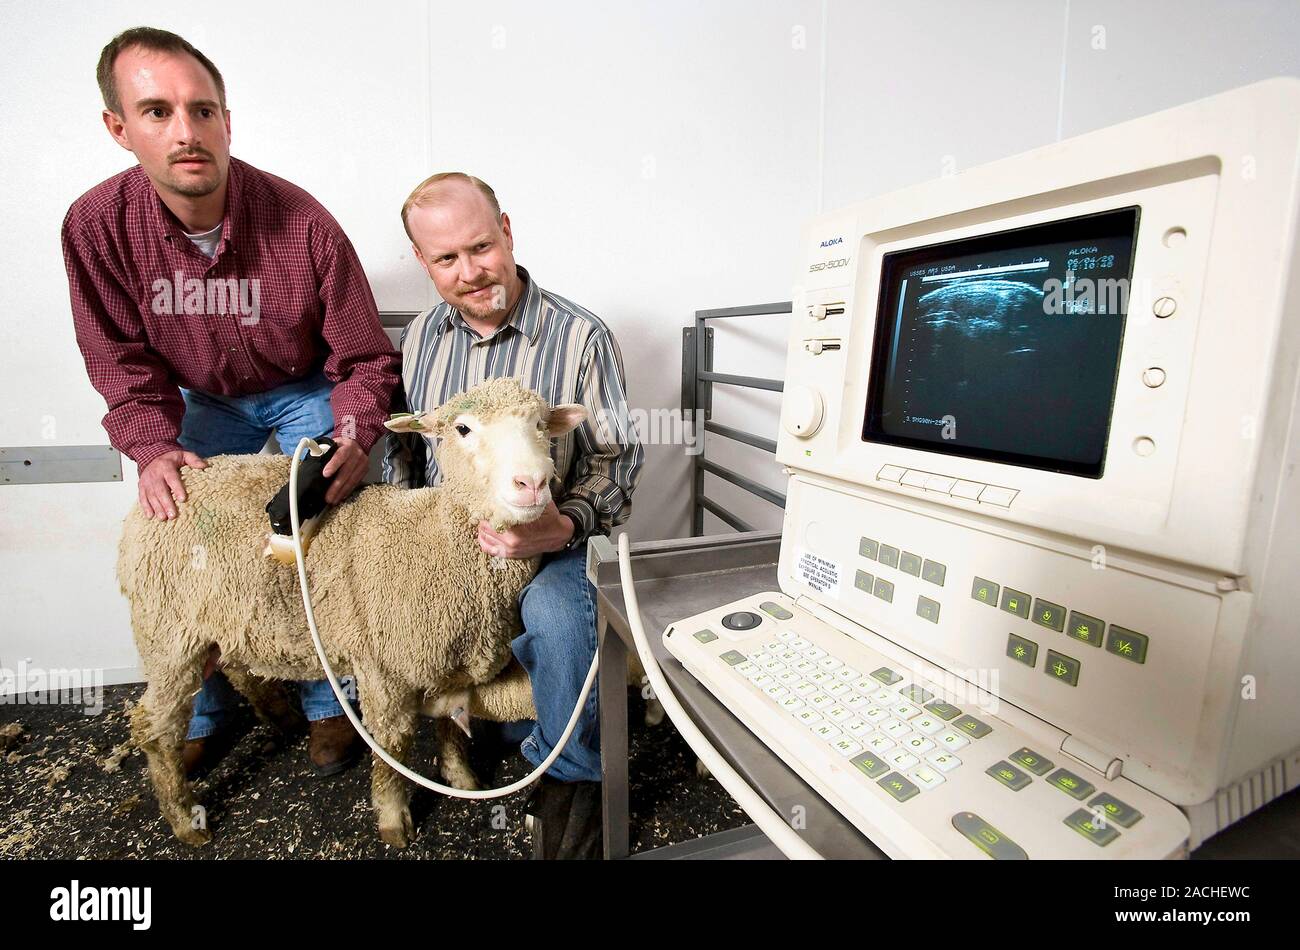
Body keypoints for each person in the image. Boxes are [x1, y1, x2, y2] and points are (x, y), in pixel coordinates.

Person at [62, 27, 399, 778]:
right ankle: (203, 709)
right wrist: (151, 446)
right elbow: (116, 355)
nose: (186, 131)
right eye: (156, 111)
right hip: (196, 396)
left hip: (304, 384)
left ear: (227, 120)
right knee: (184, 540)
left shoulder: (304, 221)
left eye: (202, 109)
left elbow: (367, 357)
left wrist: (352, 434)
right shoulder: (94, 228)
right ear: (119, 128)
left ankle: (330, 704)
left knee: (321, 526)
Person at [384, 172, 643, 858]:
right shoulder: (420, 342)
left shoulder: (582, 336)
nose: (470, 272)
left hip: (551, 540)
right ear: (423, 263)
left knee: (560, 614)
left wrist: (566, 524)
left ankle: (570, 789)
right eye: (447, 259)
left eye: (481, 246)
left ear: (508, 230)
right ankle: (432, 745)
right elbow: (407, 458)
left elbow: (618, 459)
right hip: (452, 545)